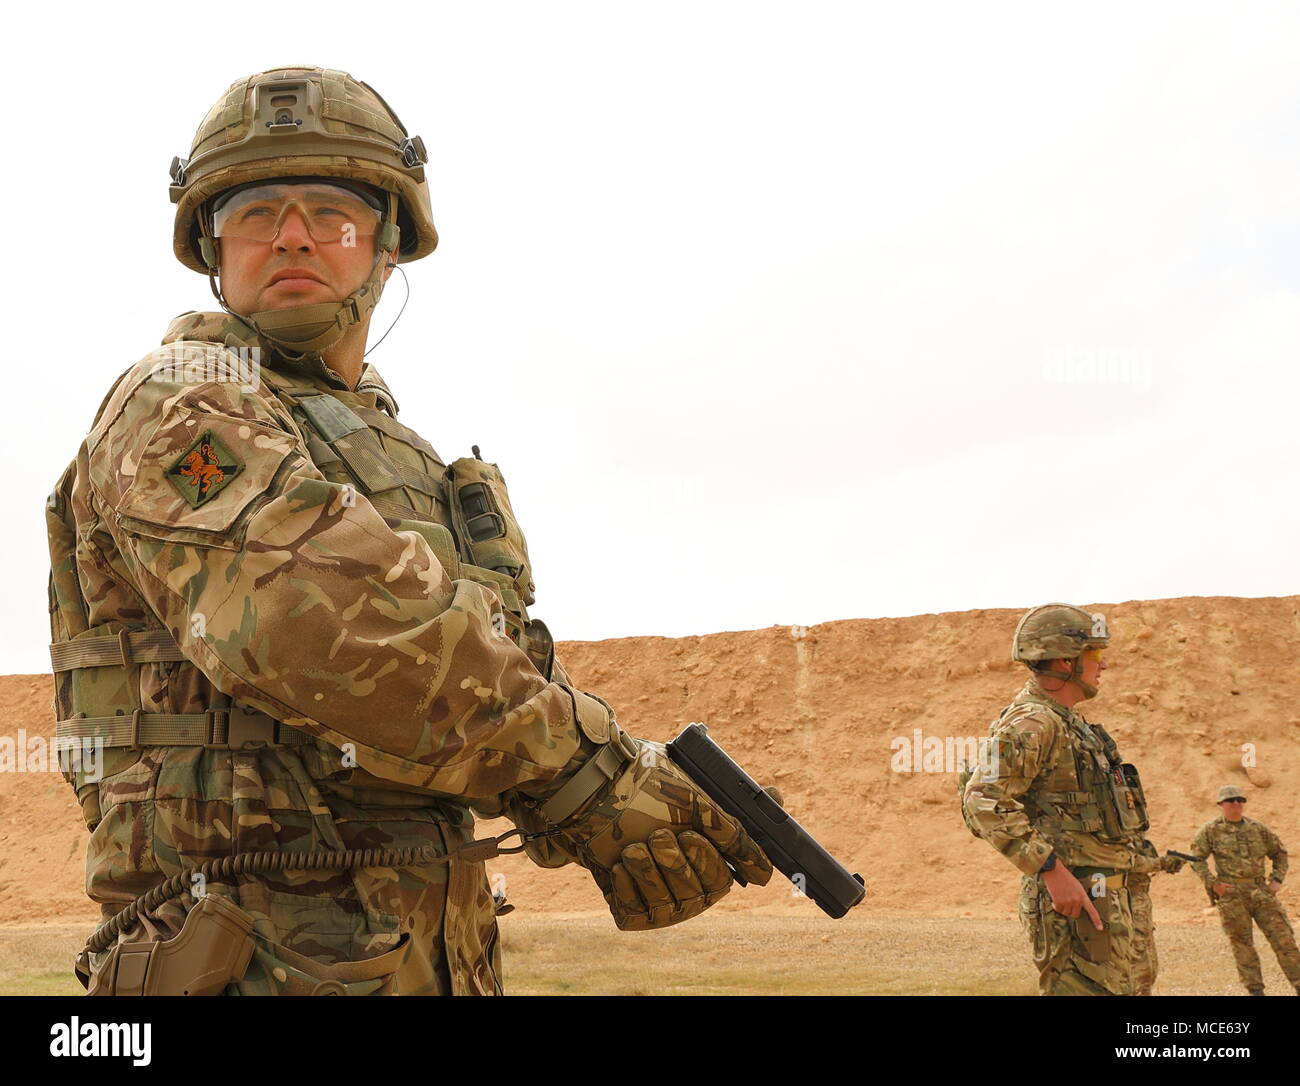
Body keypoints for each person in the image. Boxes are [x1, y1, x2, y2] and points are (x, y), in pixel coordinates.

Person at [45, 66, 771, 996]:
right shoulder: (180, 399)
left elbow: (477, 662)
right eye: (257, 211)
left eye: (331, 211)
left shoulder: (388, 448)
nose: (294, 234)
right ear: (211, 245)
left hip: (420, 953)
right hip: (241, 956)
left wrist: (649, 785)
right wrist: (589, 776)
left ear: (388, 242)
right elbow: (312, 619)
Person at [961, 603, 1179, 995]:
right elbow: (983, 799)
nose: (1104, 665)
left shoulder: (1069, 721)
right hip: (1077, 906)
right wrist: (1050, 871)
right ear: (1064, 661)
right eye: (1095, 654)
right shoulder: (1034, 723)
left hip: (1111, 900)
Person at [1188, 785, 1300, 995]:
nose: (1236, 804)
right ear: (1221, 804)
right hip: (1232, 895)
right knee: (1242, 945)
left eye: (1240, 800)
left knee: (1284, 939)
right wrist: (1213, 884)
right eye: (1231, 801)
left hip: (1260, 892)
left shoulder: (1257, 829)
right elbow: (1196, 859)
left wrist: (1276, 880)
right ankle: (1255, 990)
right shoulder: (1210, 830)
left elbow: (1280, 853)